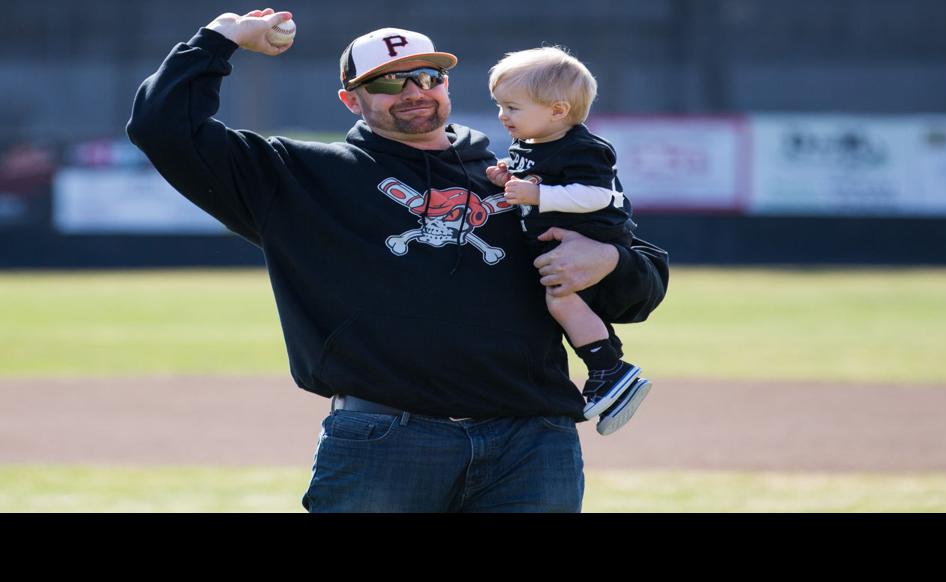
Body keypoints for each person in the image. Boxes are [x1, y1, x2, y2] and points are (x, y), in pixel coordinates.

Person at [125, 9, 669, 513]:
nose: (413, 92)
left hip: (530, 442)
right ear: (350, 100)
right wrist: (218, 41)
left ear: (446, 85)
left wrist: (607, 262)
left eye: (427, 76)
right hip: (385, 442)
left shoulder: (520, 178)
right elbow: (163, 129)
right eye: (387, 81)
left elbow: (638, 290)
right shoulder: (298, 177)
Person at [485, 46, 651, 436]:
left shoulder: (585, 148)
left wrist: (537, 195)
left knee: (560, 298)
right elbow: (534, 177)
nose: (502, 116)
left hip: (594, 236)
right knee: (560, 299)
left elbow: (600, 196)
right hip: (553, 242)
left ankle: (609, 369)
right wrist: (507, 179)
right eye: (500, 106)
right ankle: (609, 371)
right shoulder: (532, 142)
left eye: (512, 107)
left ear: (558, 111)